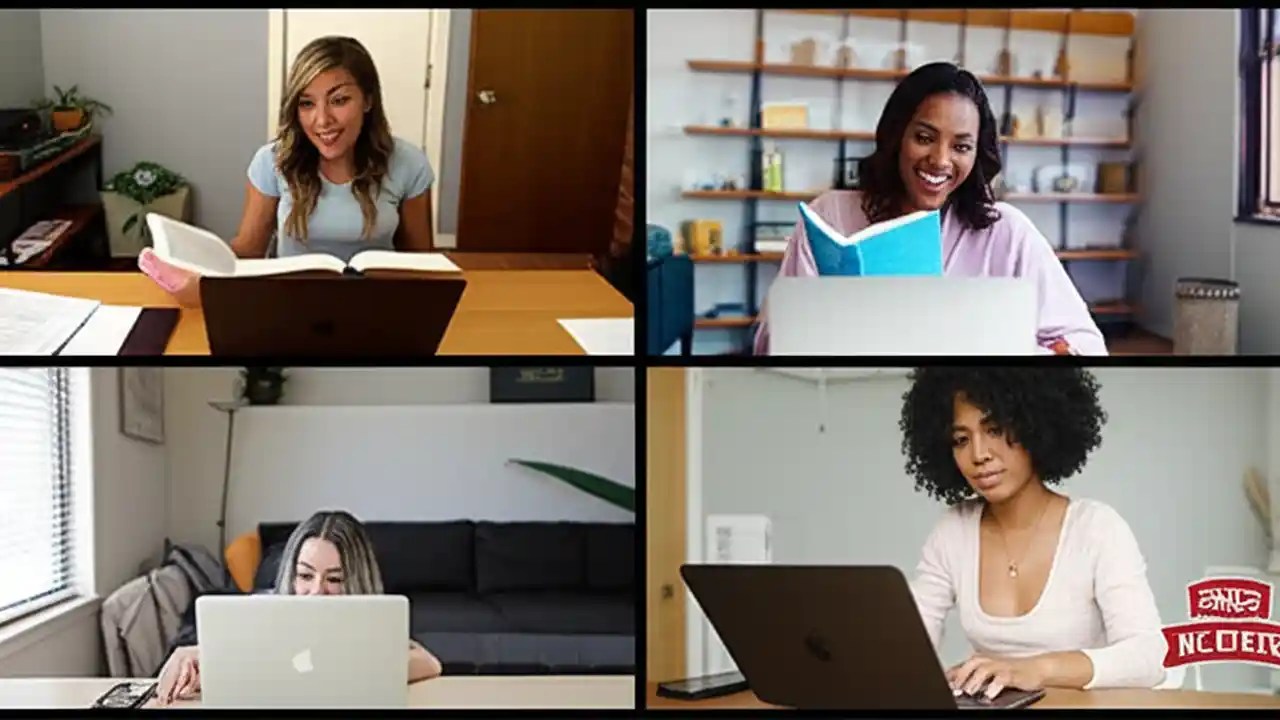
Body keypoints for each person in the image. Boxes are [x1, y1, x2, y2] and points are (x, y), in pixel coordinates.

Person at [753, 62, 1107, 356]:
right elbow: (773, 342)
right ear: (896, 137)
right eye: (924, 138)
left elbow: (1088, 346)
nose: (940, 160)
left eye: (961, 146)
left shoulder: (1007, 231)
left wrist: (1028, 352)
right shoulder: (829, 216)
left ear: (976, 154)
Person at [899, 367, 1168, 700]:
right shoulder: (954, 531)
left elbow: (1149, 656)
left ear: (1035, 426)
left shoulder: (1096, 528)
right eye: (961, 439)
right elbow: (907, 647)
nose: (979, 454)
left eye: (994, 429)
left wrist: (1033, 669)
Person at [139, 35, 437, 306]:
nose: (322, 120)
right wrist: (199, 270)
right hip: (289, 305)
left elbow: (421, 264)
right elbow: (248, 252)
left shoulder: (409, 164)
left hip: (377, 305)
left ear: (368, 100)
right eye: (307, 104)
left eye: (339, 100)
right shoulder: (272, 161)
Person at [154, 510, 442, 706]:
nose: (316, 591)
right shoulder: (262, 611)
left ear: (357, 579)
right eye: (305, 575)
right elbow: (233, 649)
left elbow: (429, 663)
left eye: (335, 579)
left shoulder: (370, 622)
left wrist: (352, 664)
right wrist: (197, 653)